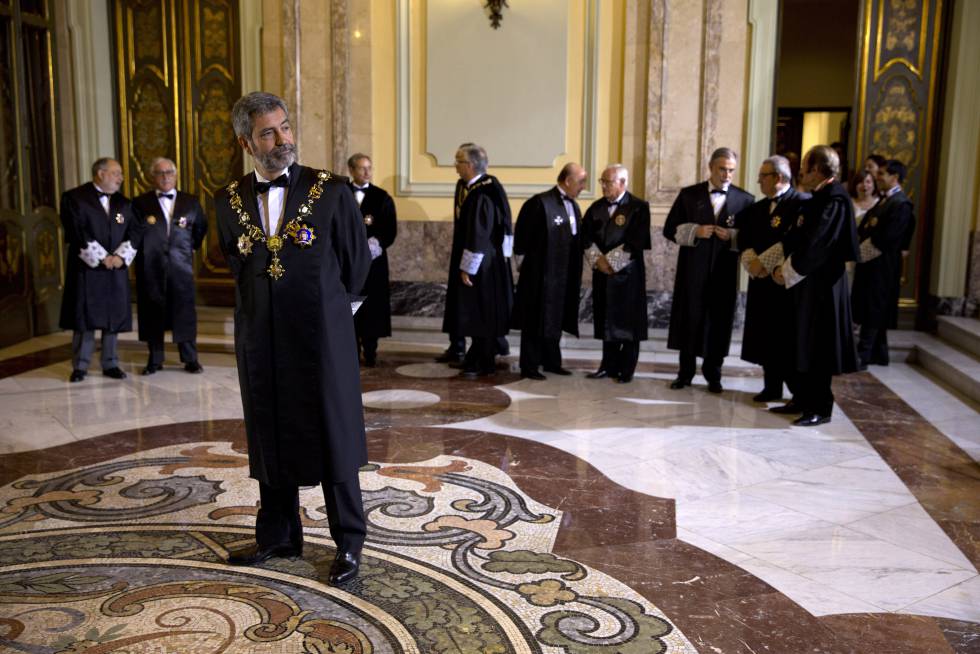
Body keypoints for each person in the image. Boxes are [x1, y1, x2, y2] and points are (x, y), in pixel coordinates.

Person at [215, 92, 371, 585]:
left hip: (323, 340)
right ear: (246, 141)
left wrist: (330, 321)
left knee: (334, 435)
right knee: (271, 432)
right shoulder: (229, 199)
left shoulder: (332, 190)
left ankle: (349, 542)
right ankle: (278, 535)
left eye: (285, 127)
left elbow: (357, 265)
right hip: (261, 340)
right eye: (268, 132)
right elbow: (236, 264)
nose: (283, 139)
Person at [768, 145, 859, 426]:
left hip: (823, 287)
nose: (801, 173)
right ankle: (802, 398)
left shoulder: (835, 200)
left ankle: (820, 407)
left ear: (818, 170)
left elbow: (819, 244)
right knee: (801, 341)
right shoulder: (817, 197)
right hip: (806, 284)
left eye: (805, 167)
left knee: (818, 346)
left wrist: (788, 272)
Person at [663, 147, 754, 393]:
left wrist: (733, 236)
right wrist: (695, 231)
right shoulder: (688, 195)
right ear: (711, 168)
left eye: (731, 171)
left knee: (719, 322)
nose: (726, 175)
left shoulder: (745, 200)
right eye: (722, 169)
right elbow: (669, 229)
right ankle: (685, 373)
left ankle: (714, 374)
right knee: (689, 319)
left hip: (724, 274)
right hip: (692, 272)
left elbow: (752, 238)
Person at [59, 158, 138, 382]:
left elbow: (135, 231)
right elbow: (75, 230)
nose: (120, 178)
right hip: (88, 269)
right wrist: (103, 258)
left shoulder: (124, 203)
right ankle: (81, 365)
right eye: (116, 173)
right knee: (85, 317)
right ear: (101, 174)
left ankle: (110, 363)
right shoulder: (74, 198)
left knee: (112, 316)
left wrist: (120, 257)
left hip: (115, 269)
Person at [736, 155, 807, 402]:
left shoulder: (801, 203)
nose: (758, 181)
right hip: (761, 283)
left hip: (784, 283)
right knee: (765, 335)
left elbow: (796, 241)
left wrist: (764, 263)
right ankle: (771, 386)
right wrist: (751, 264)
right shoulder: (756, 208)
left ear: (778, 177)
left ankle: (799, 391)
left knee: (784, 337)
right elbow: (744, 240)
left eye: (762, 176)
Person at [132, 157, 208, 375]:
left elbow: (201, 228)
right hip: (150, 267)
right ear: (152, 177)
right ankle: (154, 360)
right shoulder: (140, 203)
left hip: (180, 266)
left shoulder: (191, 201)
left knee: (184, 311)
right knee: (152, 311)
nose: (165, 176)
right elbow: (135, 233)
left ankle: (190, 358)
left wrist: (186, 249)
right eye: (160, 173)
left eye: (169, 172)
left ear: (175, 175)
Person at [512, 163, 587, 379]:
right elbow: (522, 241)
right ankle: (530, 365)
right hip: (539, 277)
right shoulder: (539, 203)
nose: (584, 186)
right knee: (536, 320)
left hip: (563, 277)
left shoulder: (574, 206)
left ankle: (552, 361)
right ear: (567, 180)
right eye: (581, 181)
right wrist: (528, 270)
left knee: (556, 318)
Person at [582, 164, 650, 383]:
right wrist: (598, 261)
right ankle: (607, 365)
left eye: (608, 182)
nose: (603, 186)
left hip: (628, 276)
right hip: (602, 275)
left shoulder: (638, 207)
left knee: (628, 324)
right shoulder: (595, 208)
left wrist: (611, 263)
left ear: (622, 183)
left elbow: (636, 241)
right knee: (606, 320)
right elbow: (586, 237)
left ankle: (626, 369)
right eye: (602, 181)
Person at [452, 143, 514, 378]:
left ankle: (483, 362)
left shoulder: (481, 194)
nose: (455, 167)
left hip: (481, 264)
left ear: (469, 165)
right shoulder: (490, 187)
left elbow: (478, 234)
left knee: (481, 313)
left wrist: (468, 268)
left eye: (458, 162)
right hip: (492, 261)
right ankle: (476, 357)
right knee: (482, 312)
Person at [851, 159, 915, 369]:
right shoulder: (885, 200)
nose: (878, 178)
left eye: (882, 174)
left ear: (894, 177)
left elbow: (888, 237)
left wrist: (859, 254)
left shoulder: (901, 204)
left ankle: (864, 354)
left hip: (882, 266)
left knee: (874, 307)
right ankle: (880, 353)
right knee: (869, 304)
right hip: (870, 265)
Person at [347, 153, 397, 367]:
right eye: (361, 168)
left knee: (372, 308)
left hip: (373, 267)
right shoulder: (341, 195)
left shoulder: (382, 197)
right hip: (347, 266)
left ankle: (371, 351)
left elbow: (390, 230)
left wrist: (371, 248)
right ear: (351, 170)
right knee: (350, 307)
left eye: (369, 167)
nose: (367, 172)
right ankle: (350, 350)